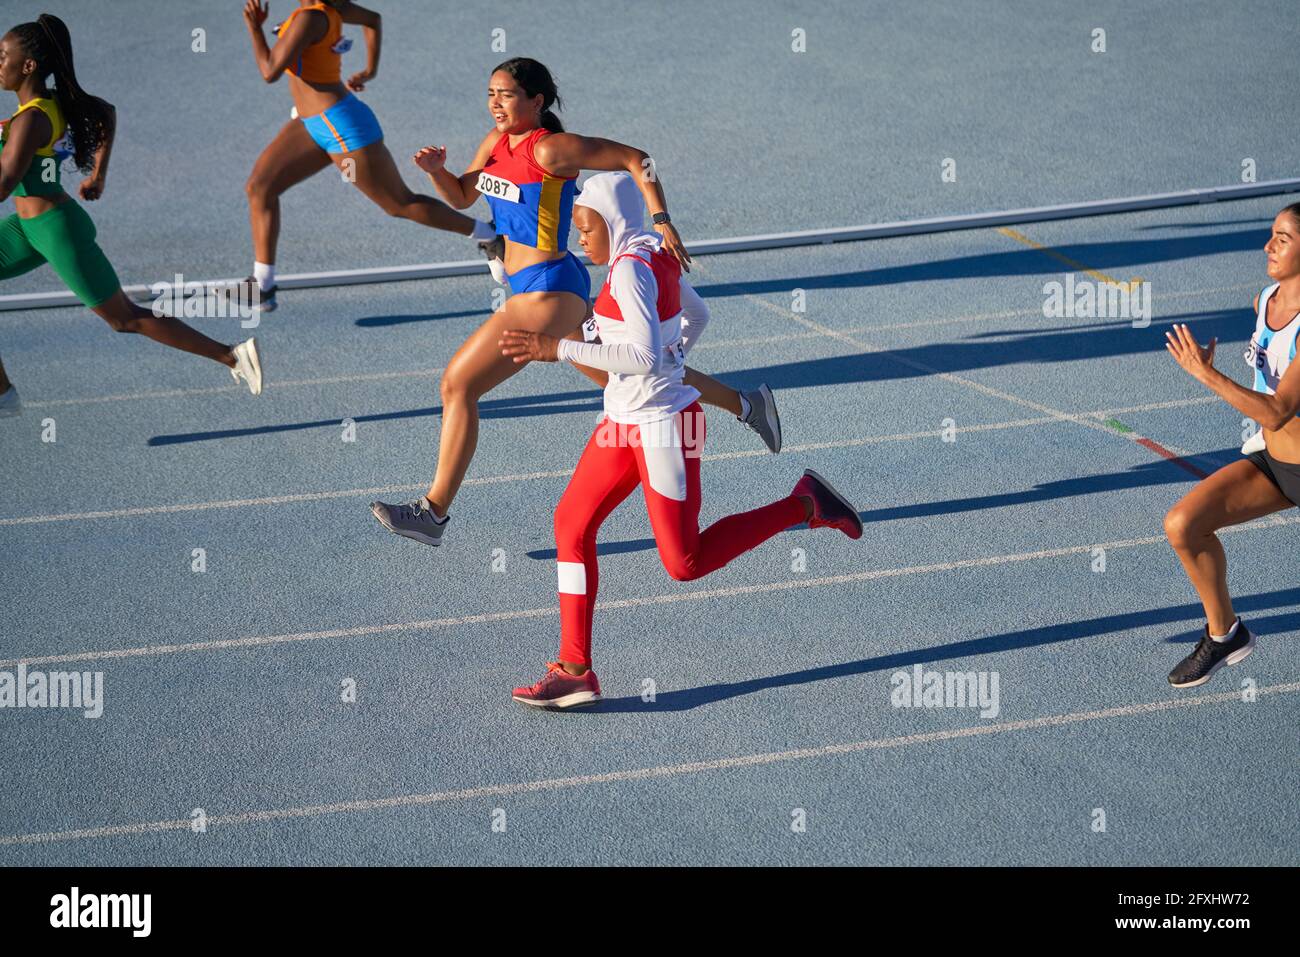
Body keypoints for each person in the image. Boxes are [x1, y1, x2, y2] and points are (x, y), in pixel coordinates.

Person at [370, 58, 780, 549]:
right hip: (533, 286)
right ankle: (747, 404)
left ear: (536, 102)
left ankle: (433, 511)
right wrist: (438, 173)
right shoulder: (493, 145)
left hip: (549, 289)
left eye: (506, 94)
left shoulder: (552, 149)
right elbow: (461, 196)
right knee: (631, 376)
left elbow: (638, 157)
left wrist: (662, 218)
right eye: (490, 94)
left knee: (457, 385)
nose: (495, 103)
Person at [501, 172, 863, 708]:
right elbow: (698, 315)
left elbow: (644, 358)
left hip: (665, 429)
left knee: (684, 563)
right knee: (570, 524)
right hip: (621, 423)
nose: (580, 238)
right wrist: (675, 355)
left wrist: (562, 350)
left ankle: (805, 503)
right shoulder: (650, 251)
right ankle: (575, 668)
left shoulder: (629, 272)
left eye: (585, 227)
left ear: (611, 221)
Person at [0, 14, 261, 414]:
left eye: (2, 56)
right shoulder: (48, 106)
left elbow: (4, 181)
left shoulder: (31, 119)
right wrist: (98, 176)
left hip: (56, 231)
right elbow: (105, 112)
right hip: (30, 226)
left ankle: (232, 355)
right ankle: (4, 395)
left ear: (28, 66)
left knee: (124, 318)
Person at [232, 0, 499, 312]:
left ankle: (490, 234)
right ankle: (263, 286)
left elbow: (269, 72)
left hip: (343, 129)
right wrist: (368, 71)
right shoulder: (328, 9)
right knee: (260, 187)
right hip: (310, 123)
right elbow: (373, 18)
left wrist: (255, 28)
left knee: (400, 204)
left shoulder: (309, 17)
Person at [1161, 202, 1300, 687]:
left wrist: (1206, 374)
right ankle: (1225, 636)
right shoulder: (1265, 301)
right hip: (1275, 463)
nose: (1268, 246)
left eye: (1282, 239)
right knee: (1183, 524)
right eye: (1271, 235)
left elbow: (1280, 408)